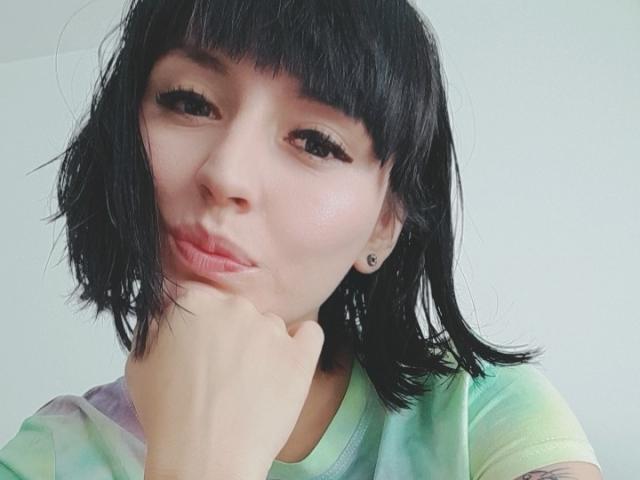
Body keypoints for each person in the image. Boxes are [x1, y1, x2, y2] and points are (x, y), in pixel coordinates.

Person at [0, 0, 603, 478]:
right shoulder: (48, 459)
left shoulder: (481, 420)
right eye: (190, 102)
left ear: (383, 224)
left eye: (316, 142)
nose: (226, 174)